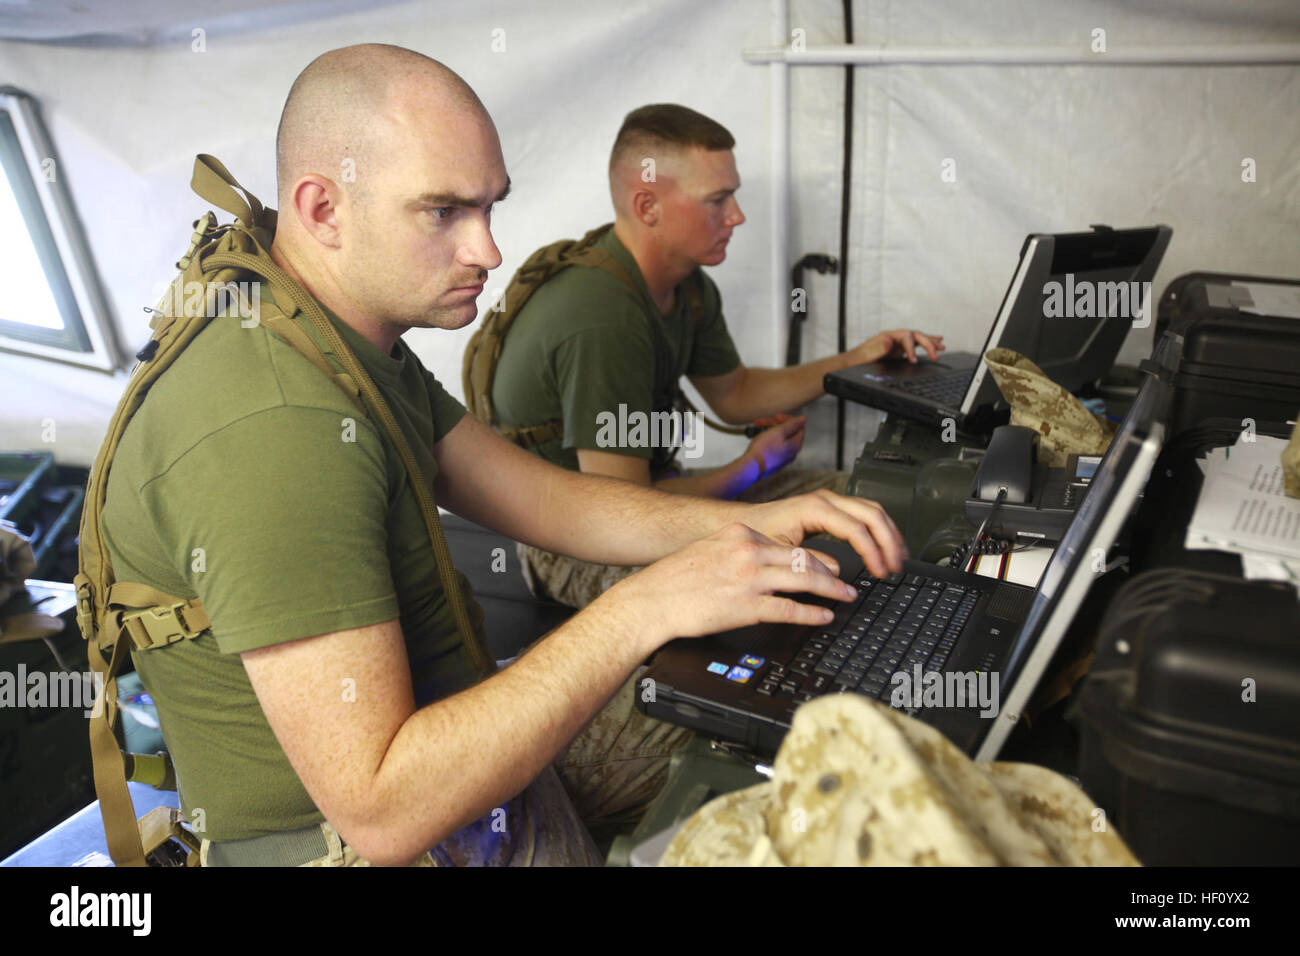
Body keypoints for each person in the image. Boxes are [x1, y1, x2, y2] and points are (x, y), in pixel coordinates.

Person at [101, 44, 908, 867]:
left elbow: (545, 498)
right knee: (774, 739)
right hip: (365, 837)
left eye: (490, 207)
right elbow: (382, 809)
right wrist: (648, 607)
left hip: (447, 756)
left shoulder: (331, 332)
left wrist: (759, 517)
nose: (488, 250)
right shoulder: (274, 422)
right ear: (323, 209)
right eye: (444, 212)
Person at [489, 103, 943, 607]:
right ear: (647, 207)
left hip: (648, 499)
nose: (737, 216)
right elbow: (618, 511)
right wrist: (749, 468)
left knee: (868, 506)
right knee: (766, 589)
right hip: (573, 545)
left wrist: (857, 357)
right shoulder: (603, 317)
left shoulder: (686, 285)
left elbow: (735, 393)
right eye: (718, 199)